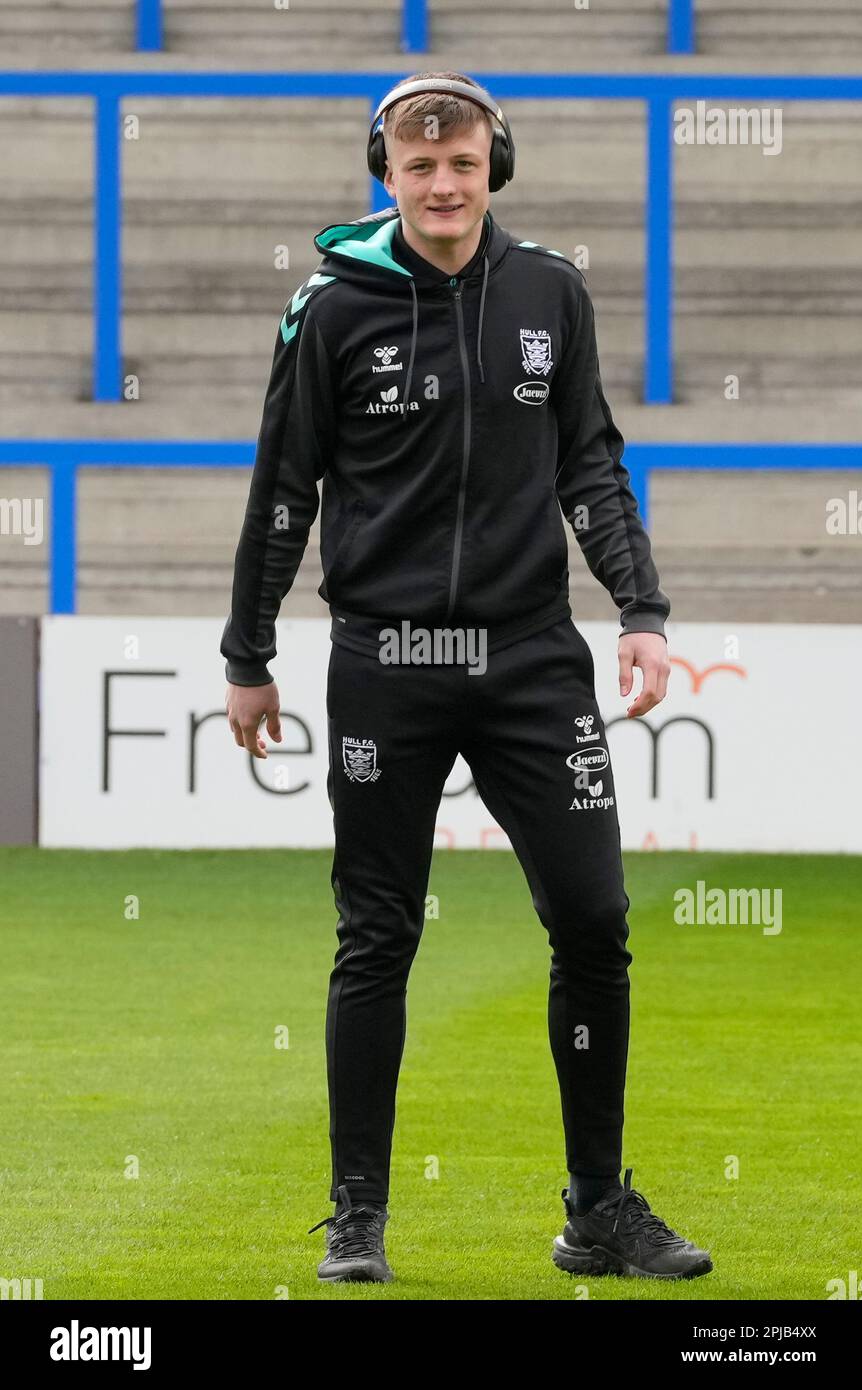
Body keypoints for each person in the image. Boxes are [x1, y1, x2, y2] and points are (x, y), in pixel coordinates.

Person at [221, 71, 713, 1285]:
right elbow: (284, 490)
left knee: (594, 921)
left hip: (529, 661)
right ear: (383, 175)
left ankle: (596, 1210)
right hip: (383, 662)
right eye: (415, 164)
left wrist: (640, 609)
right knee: (375, 934)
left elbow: (588, 465)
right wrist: (249, 653)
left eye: (461, 161)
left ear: (496, 163)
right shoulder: (327, 310)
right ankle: (356, 1216)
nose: (441, 183)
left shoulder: (551, 290)